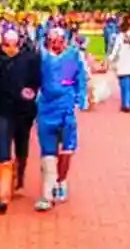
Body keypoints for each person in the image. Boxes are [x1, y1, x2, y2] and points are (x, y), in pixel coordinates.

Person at [0, 27, 41, 214]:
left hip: (23, 111)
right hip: (2, 110)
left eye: (13, 44)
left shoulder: (30, 57)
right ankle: (3, 195)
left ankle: (19, 176)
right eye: (7, 45)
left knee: (21, 147)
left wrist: (31, 91)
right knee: (3, 149)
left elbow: (36, 81)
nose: (10, 48)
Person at [34, 27, 87, 212]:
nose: (56, 43)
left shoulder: (71, 56)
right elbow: (33, 79)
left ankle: (61, 181)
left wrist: (80, 98)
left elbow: (78, 78)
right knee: (48, 151)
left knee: (66, 149)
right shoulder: (41, 56)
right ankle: (47, 193)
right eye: (52, 39)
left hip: (66, 109)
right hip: (46, 109)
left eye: (60, 39)